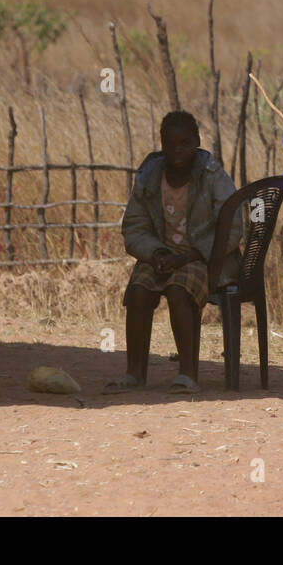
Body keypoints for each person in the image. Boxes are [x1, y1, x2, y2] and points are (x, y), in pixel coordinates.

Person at [109, 110, 241, 394]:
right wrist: (155, 253)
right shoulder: (149, 177)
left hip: (205, 259)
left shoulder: (211, 174)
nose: (178, 150)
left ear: (197, 142)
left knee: (179, 290)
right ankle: (134, 372)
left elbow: (232, 226)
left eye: (184, 143)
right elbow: (134, 227)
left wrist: (193, 254)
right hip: (163, 256)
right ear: (162, 145)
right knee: (139, 290)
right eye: (171, 144)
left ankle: (188, 374)